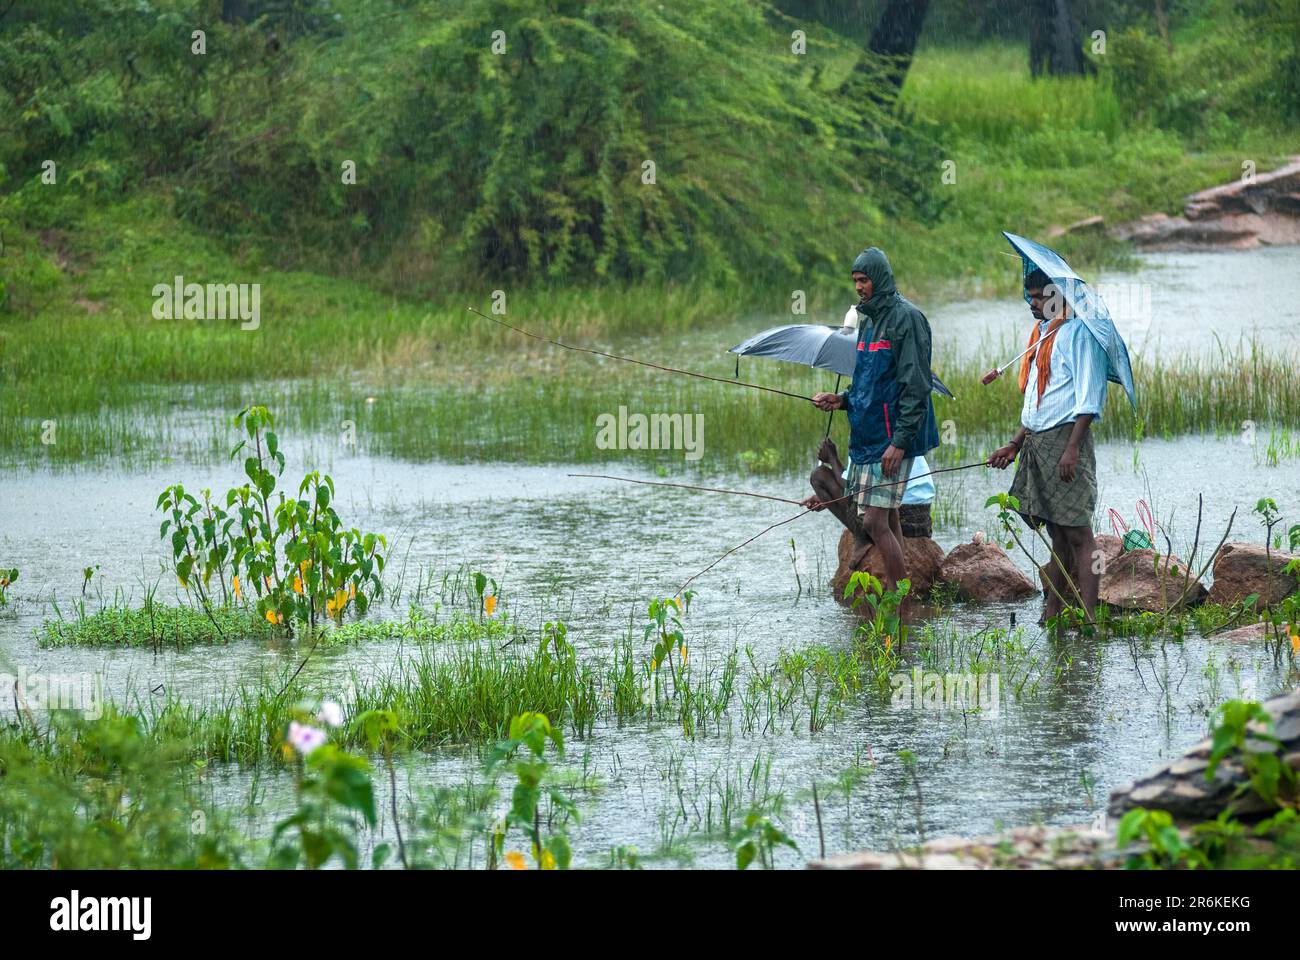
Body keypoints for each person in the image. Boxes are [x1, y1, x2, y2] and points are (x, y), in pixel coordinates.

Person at [803, 247, 940, 594]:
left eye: (864, 280)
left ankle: (898, 597)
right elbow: (865, 381)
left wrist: (900, 442)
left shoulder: (907, 319)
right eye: (855, 281)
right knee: (887, 516)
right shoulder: (868, 322)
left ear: (879, 279)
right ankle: (900, 594)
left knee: (875, 519)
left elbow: (916, 386)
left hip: (890, 438)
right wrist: (842, 400)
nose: (859, 287)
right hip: (866, 437)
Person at [987, 268, 1109, 624]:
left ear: (1059, 296)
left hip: (1066, 440)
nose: (1032, 303)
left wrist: (1072, 449)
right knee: (1057, 532)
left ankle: (1089, 616)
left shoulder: (1079, 335)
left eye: (1039, 296)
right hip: (1038, 441)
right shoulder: (1042, 334)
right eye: (1030, 296)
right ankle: (1053, 609)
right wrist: (1014, 444)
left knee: (1078, 531)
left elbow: (1089, 398)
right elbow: (1040, 400)